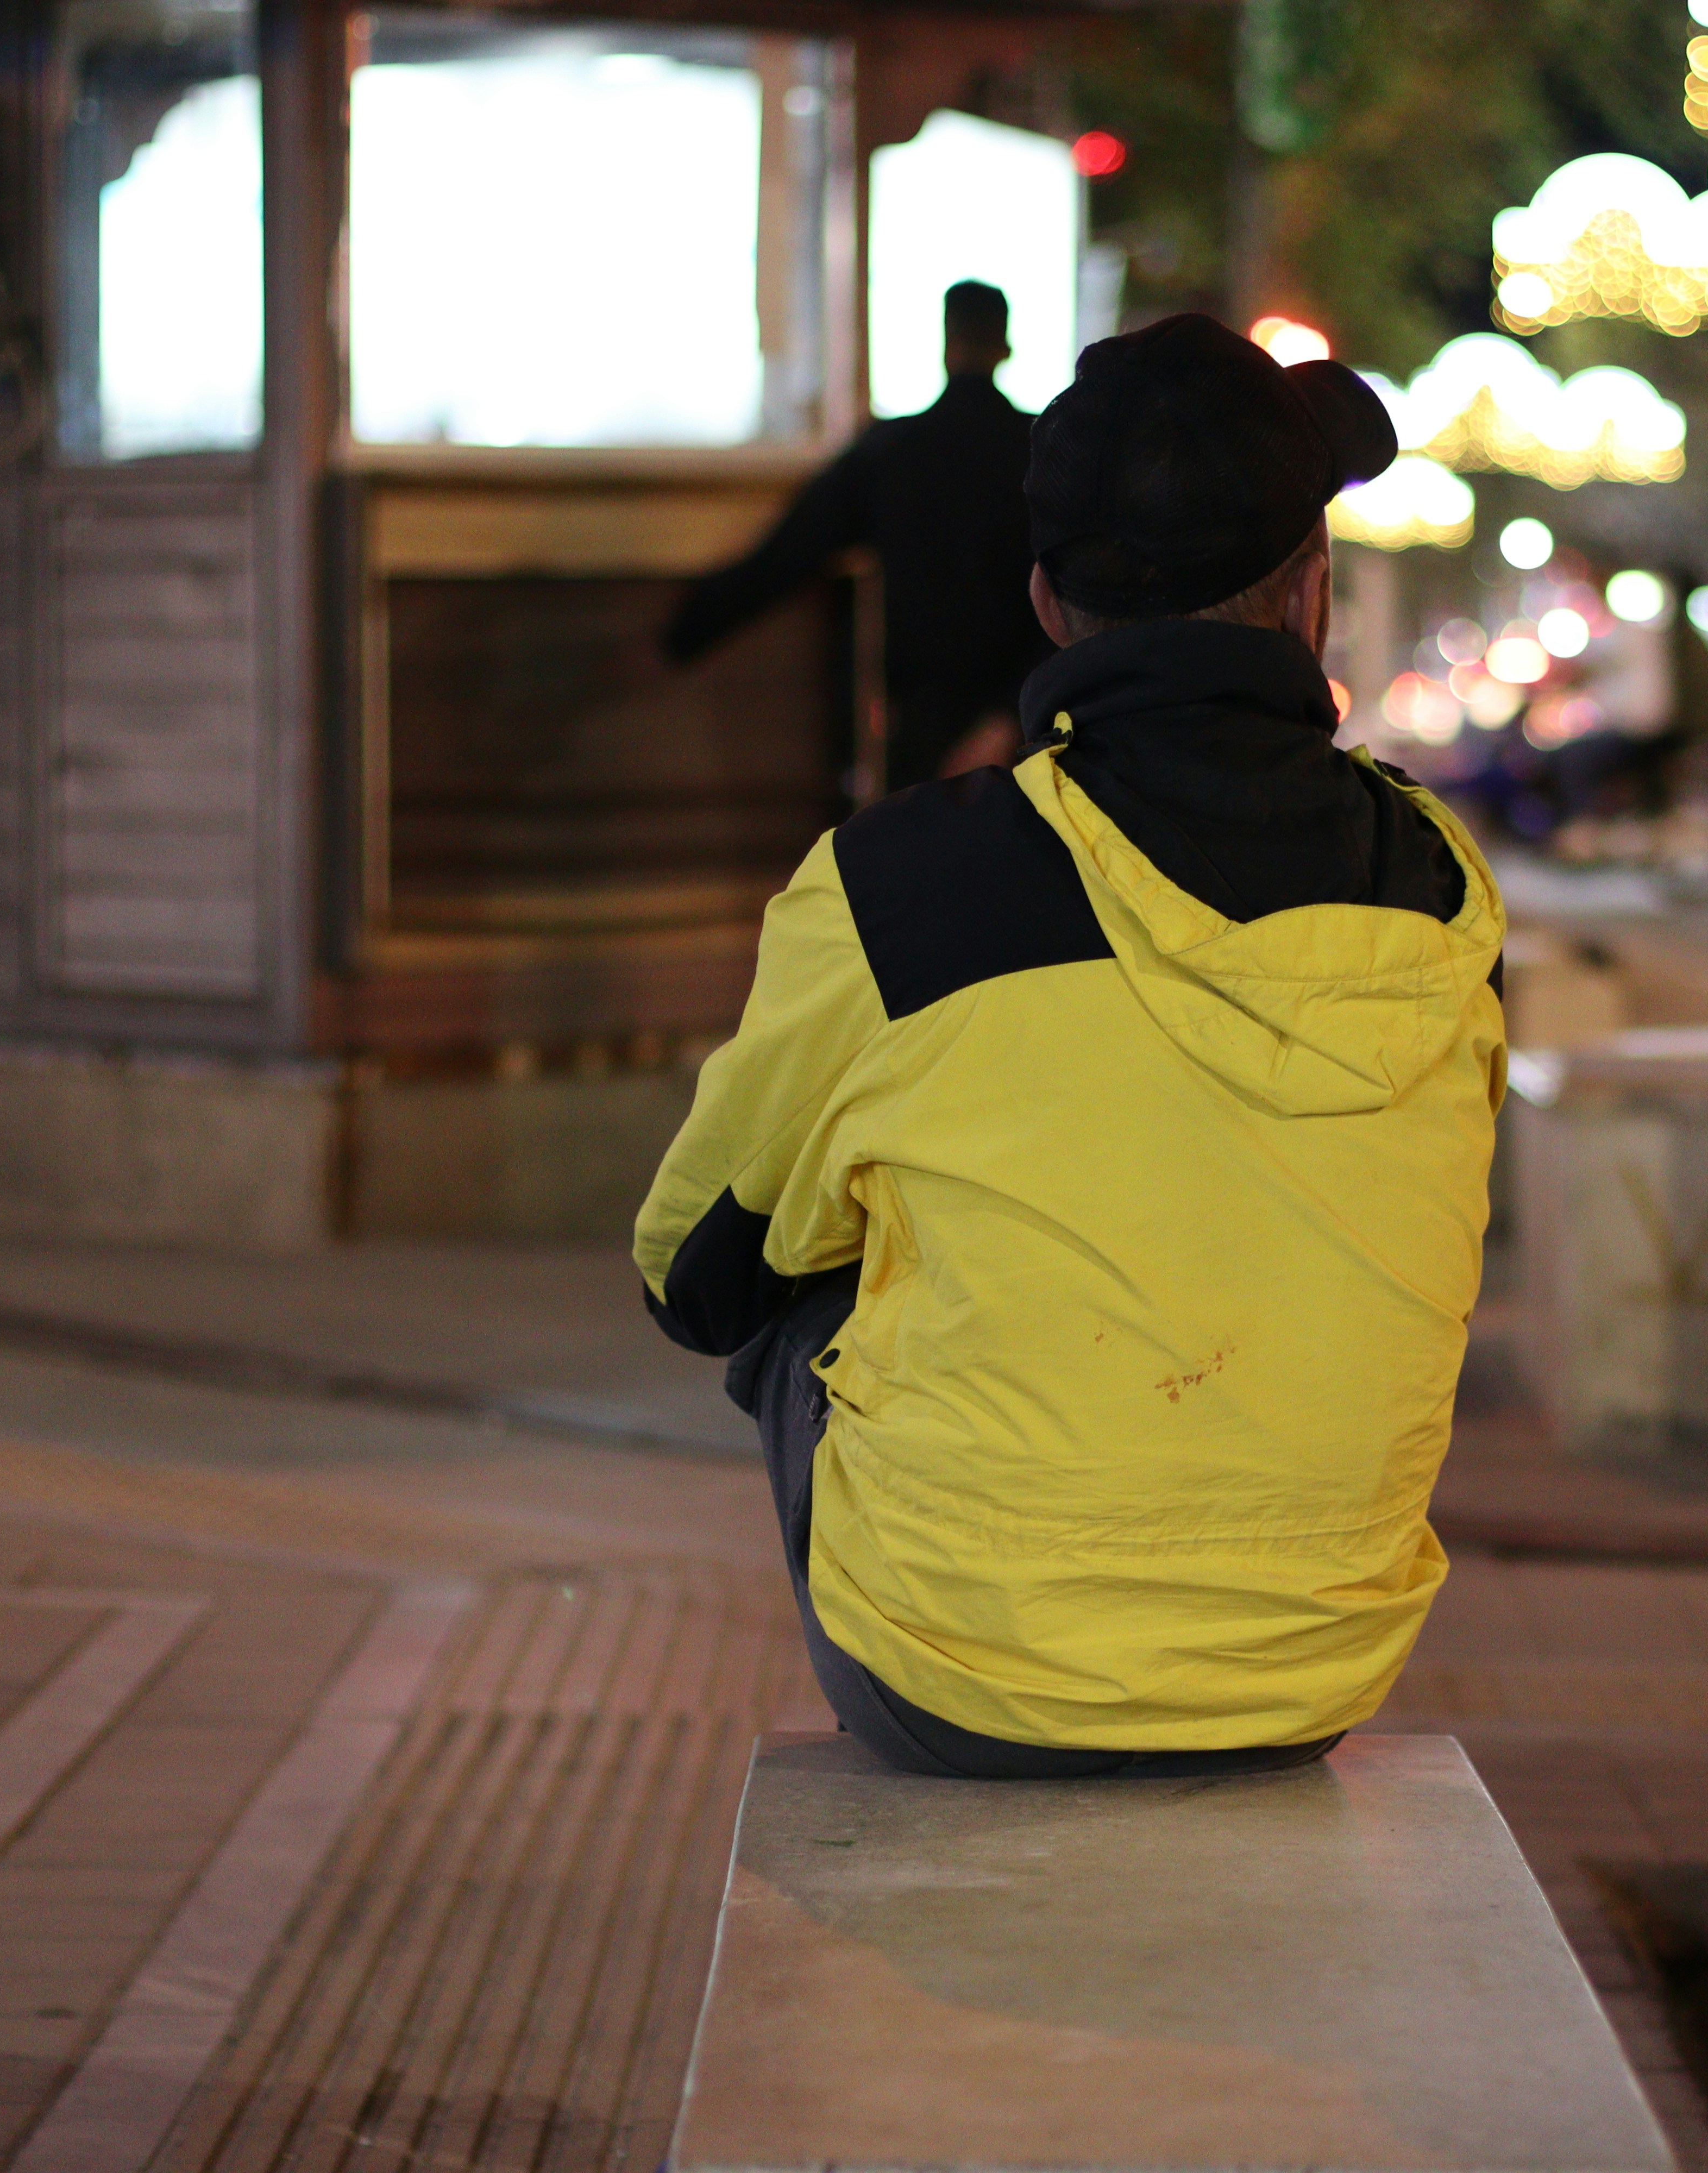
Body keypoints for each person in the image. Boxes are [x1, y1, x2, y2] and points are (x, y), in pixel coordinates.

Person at [631, 312, 1508, 1780]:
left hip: (958, 1680)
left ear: (1046, 601)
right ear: (1315, 597)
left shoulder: (899, 886)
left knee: (806, 1277)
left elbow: (691, 1278)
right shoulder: (1438, 884)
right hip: (1314, 1674)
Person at [663, 280, 1051, 792]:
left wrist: (675, 639)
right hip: (1027, 718)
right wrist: (1008, 715)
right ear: (1005, 348)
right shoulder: (1044, 454)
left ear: (946, 344)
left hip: (913, 718)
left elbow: (785, 555)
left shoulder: (893, 453)